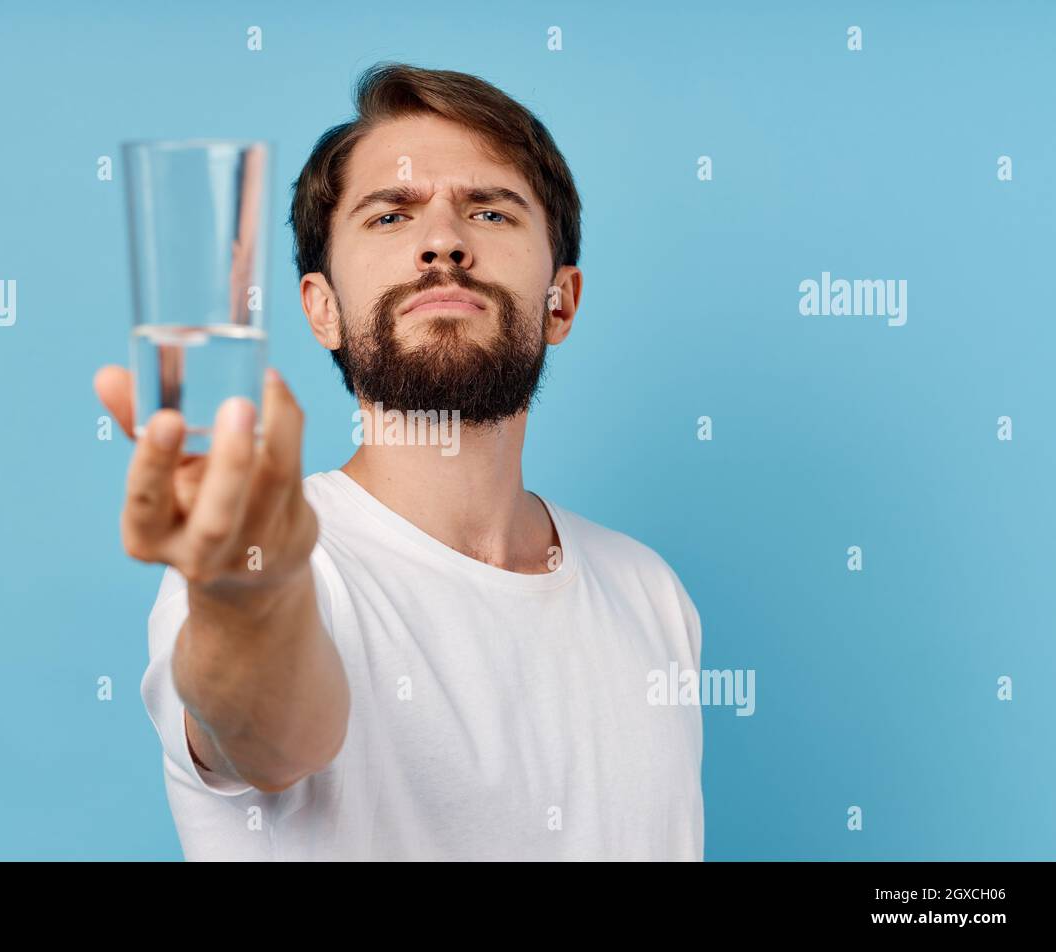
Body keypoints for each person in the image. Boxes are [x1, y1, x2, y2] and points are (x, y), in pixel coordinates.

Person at [93, 62, 703, 861]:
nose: (443, 241)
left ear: (563, 302)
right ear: (322, 309)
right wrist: (250, 594)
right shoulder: (275, 570)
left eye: (489, 210)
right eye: (390, 217)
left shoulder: (650, 592)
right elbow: (265, 737)